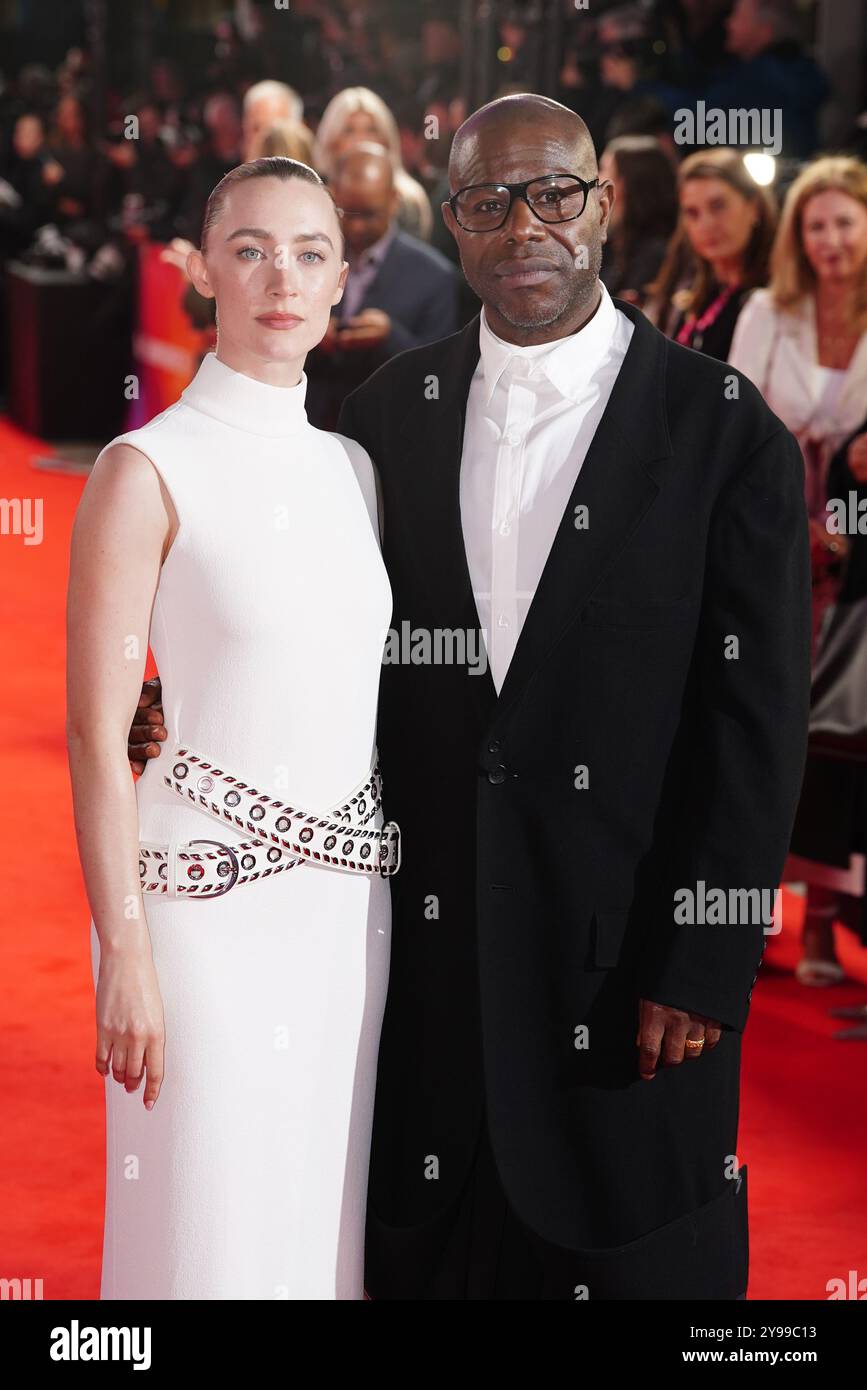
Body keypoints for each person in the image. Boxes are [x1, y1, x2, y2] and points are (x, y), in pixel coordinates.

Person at [128, 93, 812, 1301]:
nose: (526, 226)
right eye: (490, 203)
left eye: (555, 193)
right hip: (428, 965)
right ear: (454, 222)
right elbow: (312, 615)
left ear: (600, 204)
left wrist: (703, 956)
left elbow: (756, 724)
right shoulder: (390, 413)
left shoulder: (721, 429)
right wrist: (186, 700)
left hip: (626, 984)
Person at [67, 157, 397, 1300]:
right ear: (203, 269)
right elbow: (100, 735)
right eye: (250, 249)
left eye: (310, 252)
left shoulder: (356, 472)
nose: (281, 278)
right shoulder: (145, 466)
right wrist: (124, 955)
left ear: (342, 278)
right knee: (204, 1244)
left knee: (319, 1237)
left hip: (349, 925)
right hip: (197, 926)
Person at [304, 142, 461, 429]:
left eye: (369, 215)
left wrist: (390, 338)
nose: (356, 227)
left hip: (391, 434)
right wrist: (307, 332)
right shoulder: (306, 260)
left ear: (394, 201)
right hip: (310, 428)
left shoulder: (434, 276)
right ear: (332, 198)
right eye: (348, 214)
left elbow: (440, 379)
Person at [649, 147, 776, 361]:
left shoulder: (773, 295)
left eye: (718, 206)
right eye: (692, 213)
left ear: (754, 207)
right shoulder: (690, 290)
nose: (705, 225)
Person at [598, 134, 678, 304]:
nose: (597, 179)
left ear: (627, 185)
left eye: (604, 169)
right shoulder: (614, 244)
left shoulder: (658, 254)